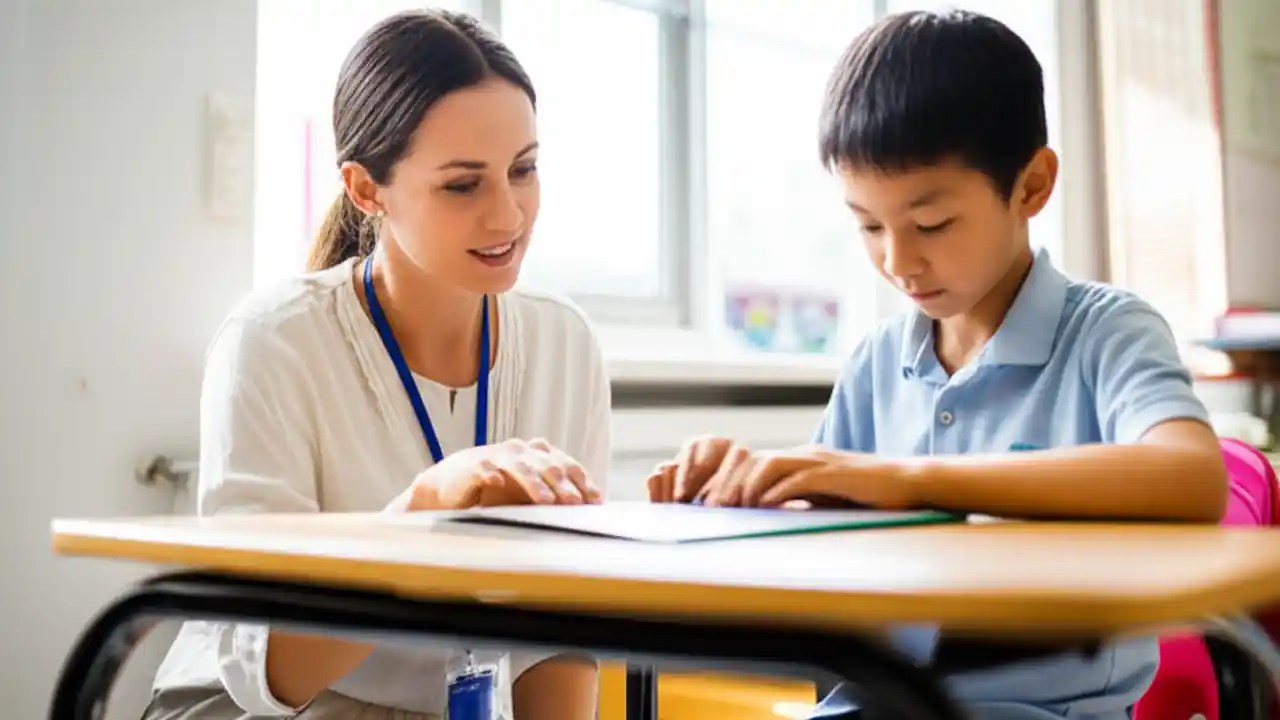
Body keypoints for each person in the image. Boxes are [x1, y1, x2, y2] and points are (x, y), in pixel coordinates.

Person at [647, 10, 1227, 720]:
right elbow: (828, 541)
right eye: (868, 225)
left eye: (931, 224)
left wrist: (909, 480)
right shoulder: (876, 362)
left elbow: (1192, 479)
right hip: (871, 704)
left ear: (1032, 186)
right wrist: (743, 494)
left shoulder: (1106, 331)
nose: (897, 260)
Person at [145, 9, 608, 719]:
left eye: (524, 170)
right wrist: (422, 513)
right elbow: (271, 672)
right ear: (365, 189)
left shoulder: (563, 342)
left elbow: (560, 631)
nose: (509, 216)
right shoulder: (272, 342)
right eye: (463, 185)